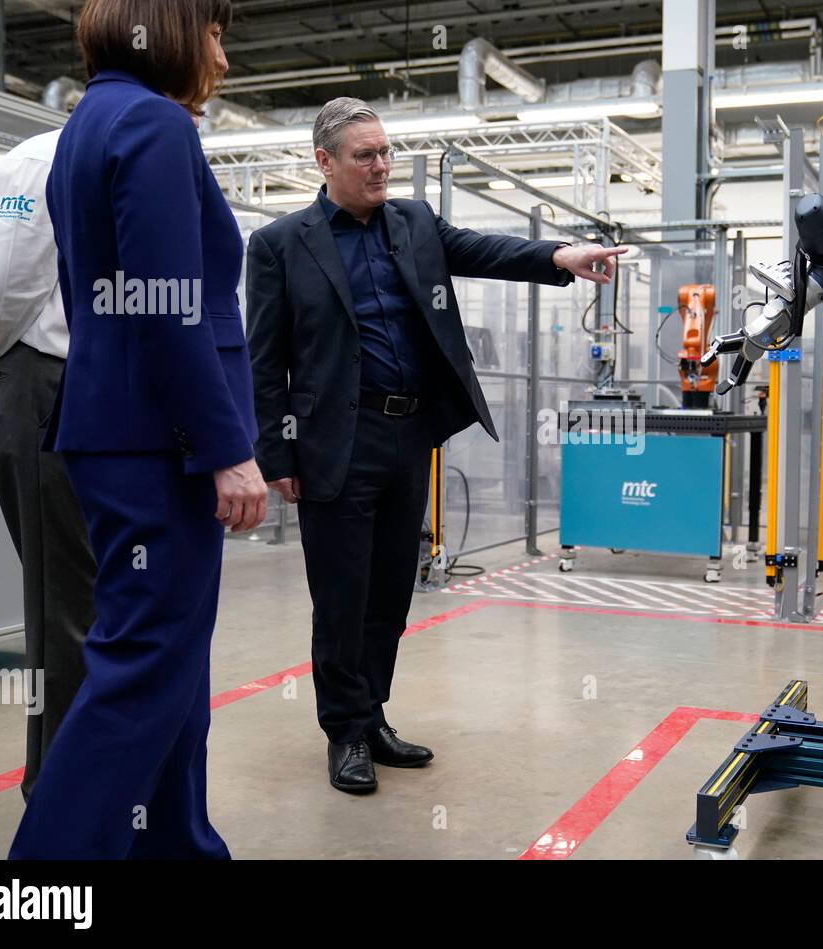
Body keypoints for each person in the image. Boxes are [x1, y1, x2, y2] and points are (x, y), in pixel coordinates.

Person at [247, 97, 626, 794]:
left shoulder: (413, 223)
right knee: (341, 595)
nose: (382, 165)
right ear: (324, 161)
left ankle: (373, 714)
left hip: (407, 432)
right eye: (365, 155)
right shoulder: (277, 245)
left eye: (386, 152)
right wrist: (277, 455)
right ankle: (344, 733)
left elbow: (488, 251)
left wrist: (562, 255)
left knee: (392, 588)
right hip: (336, 440)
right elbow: (264, 364)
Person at [9, 0, 267, 859]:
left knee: (169, 672)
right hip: (159, 447)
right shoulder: (154, 124)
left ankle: (178, 845)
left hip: (115, 433)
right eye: (218, 35)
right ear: (175, 30)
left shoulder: (89, 125)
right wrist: (226, 447)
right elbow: (171, 307)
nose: (223, 61)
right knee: (138, 676)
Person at [0, 127, 97, 802]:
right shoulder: (42, 158)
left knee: (82, 597)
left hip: (75, 385)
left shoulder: (113, 149)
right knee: (65, 599)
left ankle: (75, 778)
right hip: (41, 383)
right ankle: (60, 788)